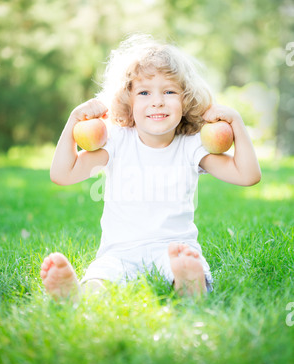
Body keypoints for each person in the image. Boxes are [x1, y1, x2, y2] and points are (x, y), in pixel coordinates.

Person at [40, 34, 261, 300]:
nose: (157, 101)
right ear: (128, 100)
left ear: (185, 99)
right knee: (101, 279)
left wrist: (236, 122)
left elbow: (247, 175)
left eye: (169, 91)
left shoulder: (190, 145)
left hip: (174, 250)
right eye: (144, 92)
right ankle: (74, 293)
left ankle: (189, 282)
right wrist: (74, 120)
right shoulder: (117, 140)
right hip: (119, 252)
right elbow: (62, 174)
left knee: (189, 271)